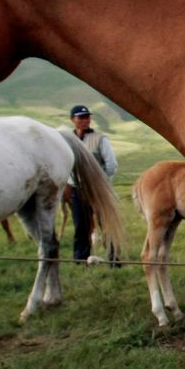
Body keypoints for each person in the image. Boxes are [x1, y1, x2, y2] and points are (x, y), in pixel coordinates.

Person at [67, 104, 118, 264]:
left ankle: (114, 258)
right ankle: (80, 259)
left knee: (106, 224)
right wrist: (72, 181)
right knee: (80, 226)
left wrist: (99, 182)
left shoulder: (100, 139)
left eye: (87, 117)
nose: (85, 120)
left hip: (98, 189)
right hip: (77, 189)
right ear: (72, 120)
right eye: (81, 117)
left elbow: (111, 164)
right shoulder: (69, 140)